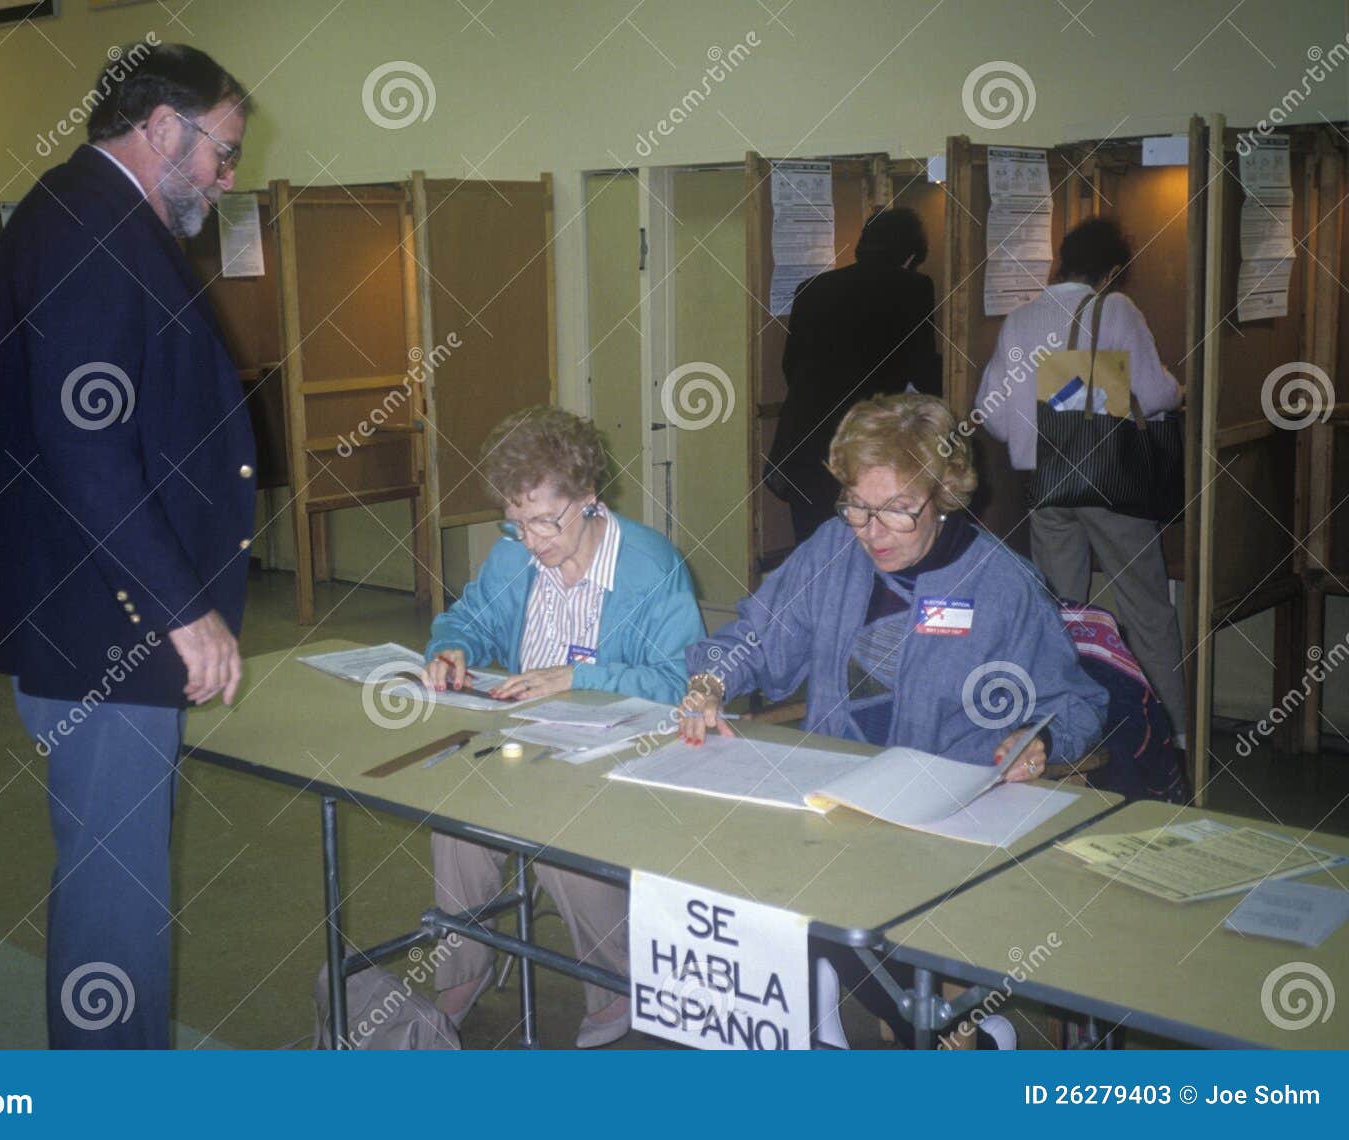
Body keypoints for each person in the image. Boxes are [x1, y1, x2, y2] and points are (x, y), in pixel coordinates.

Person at [0, 44, 254, 1050]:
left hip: (98, 618)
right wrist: (180, 606)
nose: (227, 179)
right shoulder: (88, 230)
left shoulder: (86, 217)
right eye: (221, 153)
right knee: (116, 904)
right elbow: (86, 446)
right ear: (163, 129)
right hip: (108, 628)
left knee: (115, 887)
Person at [678, 393, 1107, 1046]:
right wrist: (712, 680)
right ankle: (877, 1020)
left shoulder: (1001, 584)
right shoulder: (832, 551)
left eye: (898, 511)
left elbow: (1075, 701)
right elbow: (759, 638)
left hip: (949, 818)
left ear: (944, 495)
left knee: (841, 910)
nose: (872, 531)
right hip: (839, 804)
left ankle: (913, 1016)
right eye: (857, 505)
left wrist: (1039, 738)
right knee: (731, 877)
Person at [421, 405, 705, 1048]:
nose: (532, 539)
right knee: (459, 821)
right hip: (531, 740)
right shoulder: (512, 557)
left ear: (589, 498)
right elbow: (467, 620)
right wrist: (453, 647)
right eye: (516, 522)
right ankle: (462, 969)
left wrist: (581, 677)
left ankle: (616, 983)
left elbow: (678, 684)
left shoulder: (650, 568)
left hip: (624, 753)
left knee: (562, 832)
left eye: (547, 519)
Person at [974, 216, 1187, 747]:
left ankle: (1065, 736)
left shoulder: (1020, 318)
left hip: (1046, 487)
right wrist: (1177, 389)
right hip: (1111, 482)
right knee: (1147, 609)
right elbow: (1155, 395)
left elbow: (991, 415)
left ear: (1061, 261)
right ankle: (1175, 735)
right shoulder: (1114, 308)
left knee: (1062, 614)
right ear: (1113, 270)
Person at [766, 207, 942, 544]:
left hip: (805, 438)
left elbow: (791, 365)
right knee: (867, 540)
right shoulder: (914, 287)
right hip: (865, 439)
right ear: (910, 255)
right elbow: (921, 367)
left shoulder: (812, 288)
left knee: (814, 545)